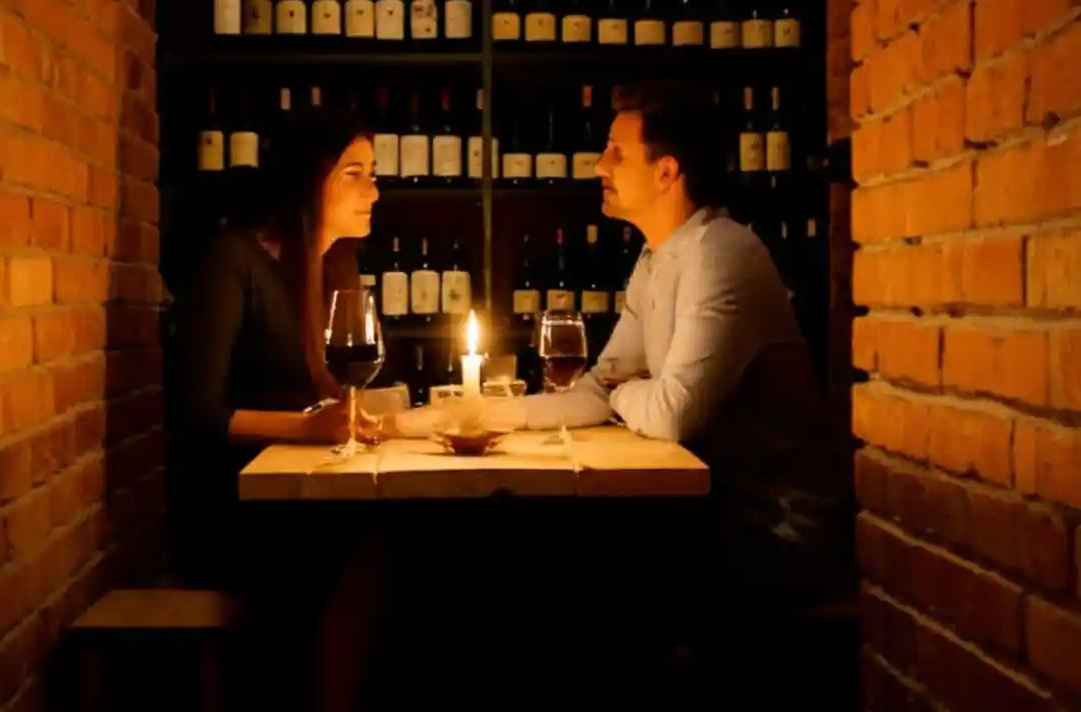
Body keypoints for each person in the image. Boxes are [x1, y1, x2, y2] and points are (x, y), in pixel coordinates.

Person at [389, 80, 854, 613]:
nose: (598, 167)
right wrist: (476, 413)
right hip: (710, 511)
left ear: (666, 173)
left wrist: (624, 393)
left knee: (541, 565)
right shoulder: (657, 259)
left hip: (777, 532)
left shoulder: (722, 254)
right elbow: (593, 391)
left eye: (616, 153)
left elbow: (674, 415)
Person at [166, 107, 384, 712]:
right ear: (308, 179)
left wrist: (351, 417)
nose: (374, 188)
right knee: (365, 550)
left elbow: (320, 394)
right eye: (355, 173)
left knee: (397, 542)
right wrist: (309, 428)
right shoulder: (232, 259)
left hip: (299, 496)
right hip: (234, 507)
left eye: (373, 173)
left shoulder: (334, 266)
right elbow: (197, 413)